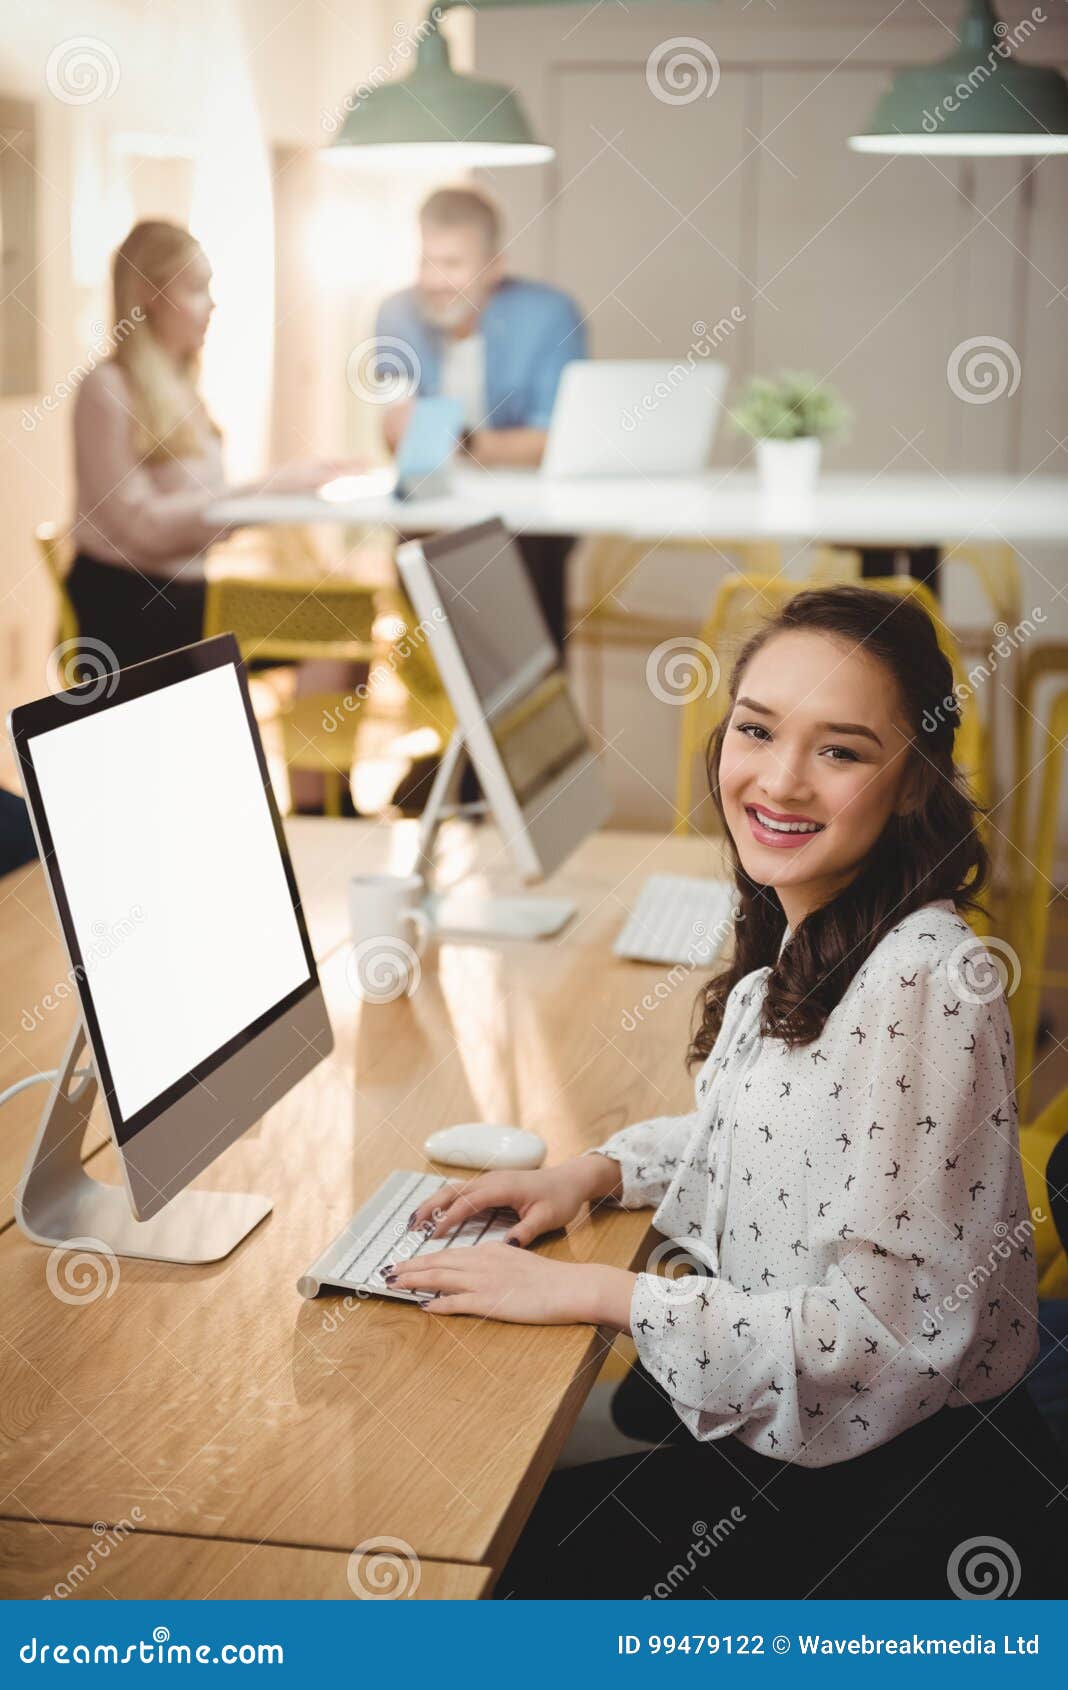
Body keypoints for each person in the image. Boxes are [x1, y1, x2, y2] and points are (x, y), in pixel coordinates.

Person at [386, 584, 1067, 1599]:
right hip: (806, 1455)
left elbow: (863, 1345)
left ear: (913, 781)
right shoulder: (824, 928)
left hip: (888, 1514)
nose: (780, 780)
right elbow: (763, 1125)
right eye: (757, 730)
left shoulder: (922, 981)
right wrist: (592, 1171)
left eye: (841, 750)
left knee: (475, 1573)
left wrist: (595, 1293)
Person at [68, 220, 361, 670]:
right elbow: (142, 528)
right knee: (336, 629)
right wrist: (270, 490)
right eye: (197, 289)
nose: (213, 304)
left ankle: (296, 742)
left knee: (346, 620)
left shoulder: (182, 390)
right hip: (130, 605)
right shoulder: (105, 388)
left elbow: (201, 514)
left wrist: (286, 489)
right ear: (151, 295)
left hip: (186, 594)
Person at [375, 185, 586, 651]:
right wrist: (400, 431)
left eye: (451, 264)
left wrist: (463, 444)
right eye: (426, 261)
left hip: (525, 524)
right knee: (419, 572)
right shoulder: (396, 314)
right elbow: (397, 436)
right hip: (432, 514)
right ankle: (446, 705)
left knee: (523, 642)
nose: (433, 280)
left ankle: (524, 705)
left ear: (495, 266)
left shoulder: (550, 314)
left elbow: (555, 440)